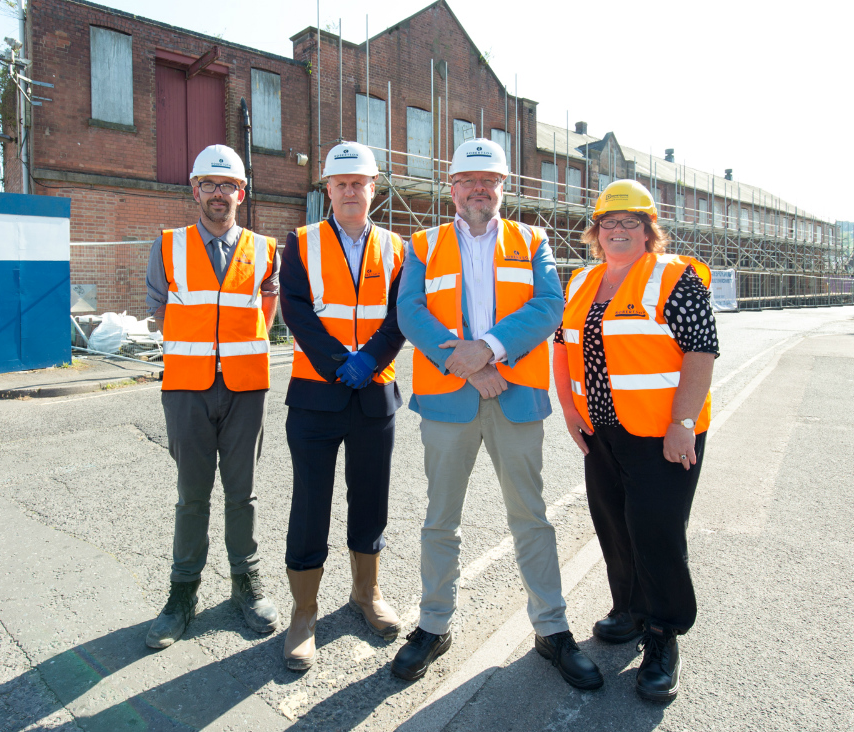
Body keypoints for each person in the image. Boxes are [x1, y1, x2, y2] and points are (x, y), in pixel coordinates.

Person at [391, 138, 603, 690]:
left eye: (490, 180)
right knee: (441, 520)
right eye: (468, 180)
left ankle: (552, 630)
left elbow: (548, 306)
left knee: (531, 518)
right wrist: (466, 365)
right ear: (453, 188)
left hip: (514, 397)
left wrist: (487, 348)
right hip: (448, 400)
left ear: (503, 187)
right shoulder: (423, 243)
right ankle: (434, 626)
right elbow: (410, 312)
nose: (479, 189)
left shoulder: (533, 239)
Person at [551, 178, 718, 702]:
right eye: (609, 223)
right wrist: (571, 408)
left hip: (661, 436)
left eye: (630, 223)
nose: (618, 231)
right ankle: (628, 610)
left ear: (649, 231)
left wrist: (683, 422)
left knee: (656, 533)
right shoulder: (582, 280)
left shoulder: (675, 278)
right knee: (614, 527)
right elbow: (562, 345)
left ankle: (664, 636)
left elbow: (701, 351)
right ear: (595, 232)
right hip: (602, 432)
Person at [143, 144, 280, 648]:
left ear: (241, 193)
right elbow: (160, 310)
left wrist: (233, 353)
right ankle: (182, 594)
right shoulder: (167, 245)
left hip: (245, 388)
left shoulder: (266, 249)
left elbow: (267, 309)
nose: (218, 194)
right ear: (194, 189)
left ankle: (246, 585)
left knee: (242, 493)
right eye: (209, 185)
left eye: (228, 186)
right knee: (192, 495)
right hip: (186, 388)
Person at [278, 141, 407, 671]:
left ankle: (365, 594)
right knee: (311, 503)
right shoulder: (300, 241)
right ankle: (304, 613)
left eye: (360, 183)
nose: (350, 191)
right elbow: (296, 309)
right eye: (341, 183)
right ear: (327, 188)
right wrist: (339, 362)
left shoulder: (399, 247)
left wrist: (371, 359)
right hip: (315, 396)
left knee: (370, 499)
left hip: (375, 395)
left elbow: (403, 313)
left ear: (374, 188)